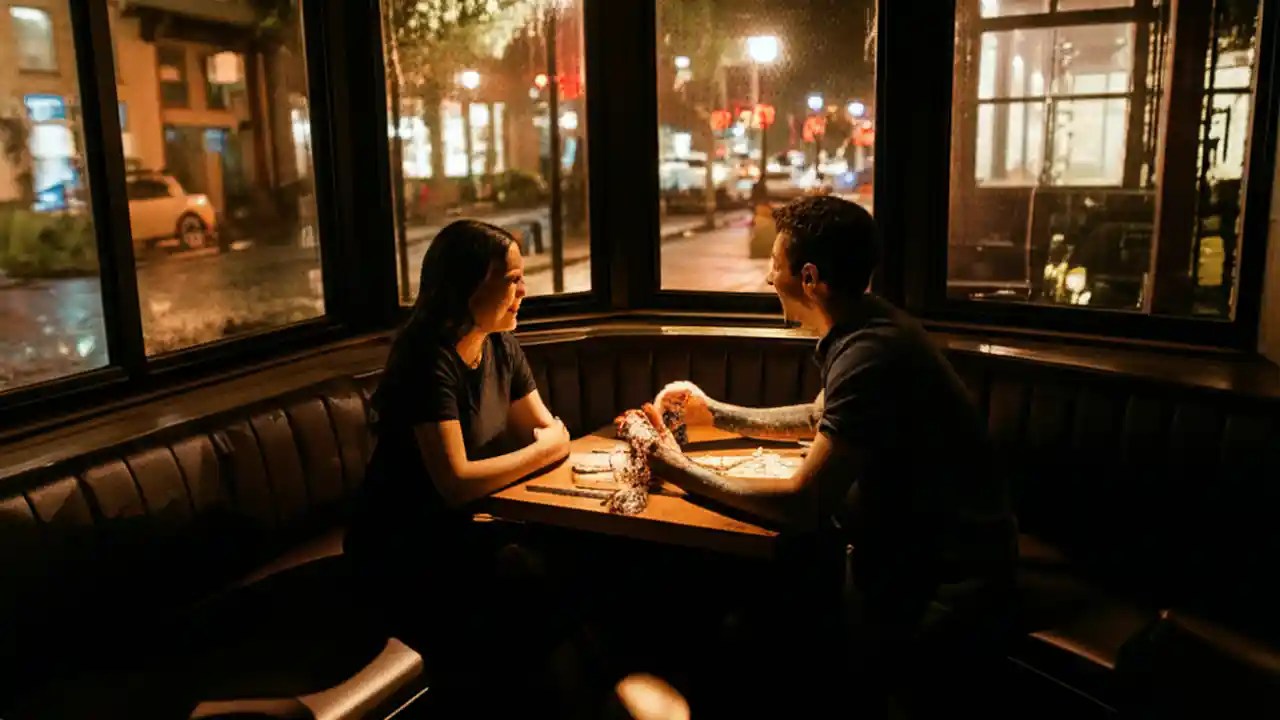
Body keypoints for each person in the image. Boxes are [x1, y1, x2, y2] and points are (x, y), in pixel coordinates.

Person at [620, 195, 1018, 716]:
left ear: (808, 278)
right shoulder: (873, 326)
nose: (768, 280)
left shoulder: (870, 353)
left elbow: (801, 502)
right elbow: (818, 418)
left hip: (941, 583)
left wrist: (676, 468)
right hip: (909, 559)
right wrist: (713, 412)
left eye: (774, 268)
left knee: (755, 638)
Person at [344, 220, 585, 715]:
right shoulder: (426, 358)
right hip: (403, 546)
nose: (524, 290)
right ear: (468, 285)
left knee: (571, 566)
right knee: (530, 580)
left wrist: (548, 445)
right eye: (512, 279)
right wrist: (546, 447)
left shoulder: (500, 343)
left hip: (461, 528)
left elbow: (543, 433)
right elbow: (456, 481)